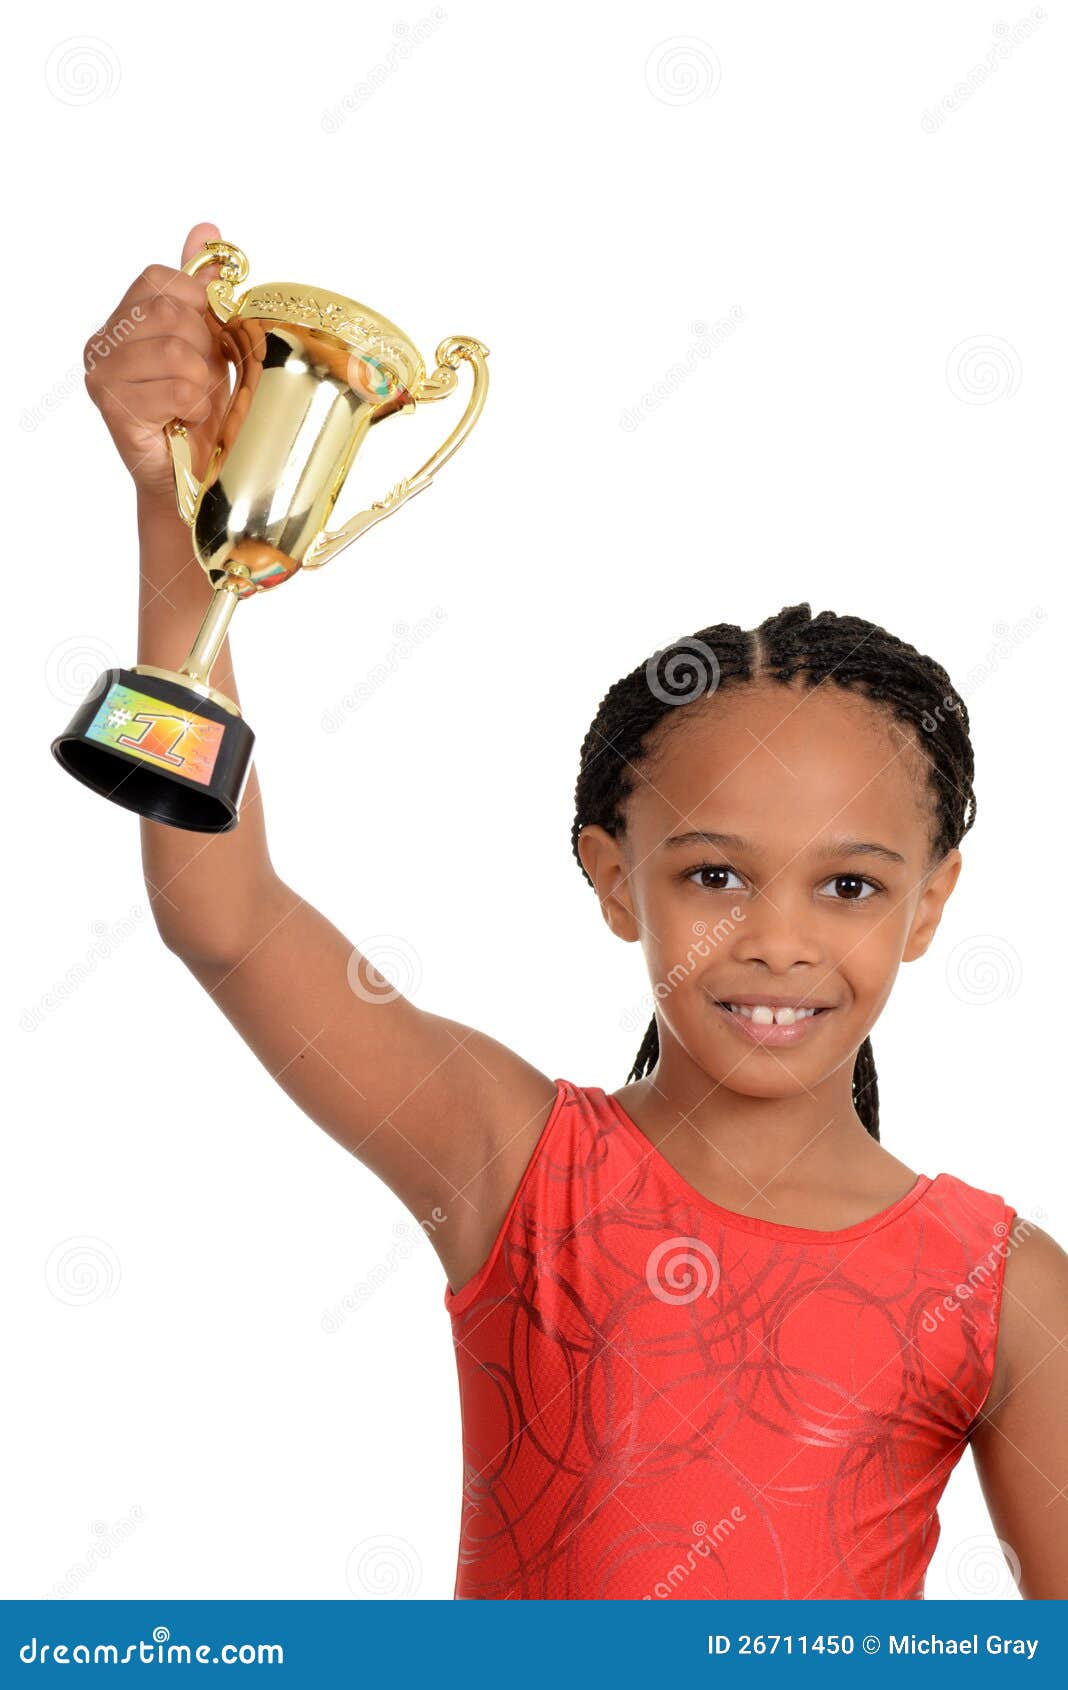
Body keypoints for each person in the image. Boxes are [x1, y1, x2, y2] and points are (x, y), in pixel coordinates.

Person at [81, 222, 1068, 1601]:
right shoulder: (518, 1166)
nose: (779, 937)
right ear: (614, 878)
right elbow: (223, 916)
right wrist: (181, 527)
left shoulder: (1003, 1287)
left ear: (930, 902)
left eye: (849, 884)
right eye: (714, 874)